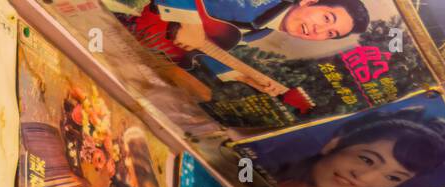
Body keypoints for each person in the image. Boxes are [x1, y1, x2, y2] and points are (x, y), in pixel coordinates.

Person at [268, 107, 445, 187]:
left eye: (393, 177)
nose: (364, 178)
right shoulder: (269, 163)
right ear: (334, 144)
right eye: (367, 159)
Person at [154, 0, 370, 97]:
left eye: (329, 33)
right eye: (326, 18)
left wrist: (243, 77)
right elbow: (195, 29)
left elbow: (207, 45)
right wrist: (188, 20)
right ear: (309, 1)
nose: (318, 29)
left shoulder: (263, 31)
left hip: (144, 30)